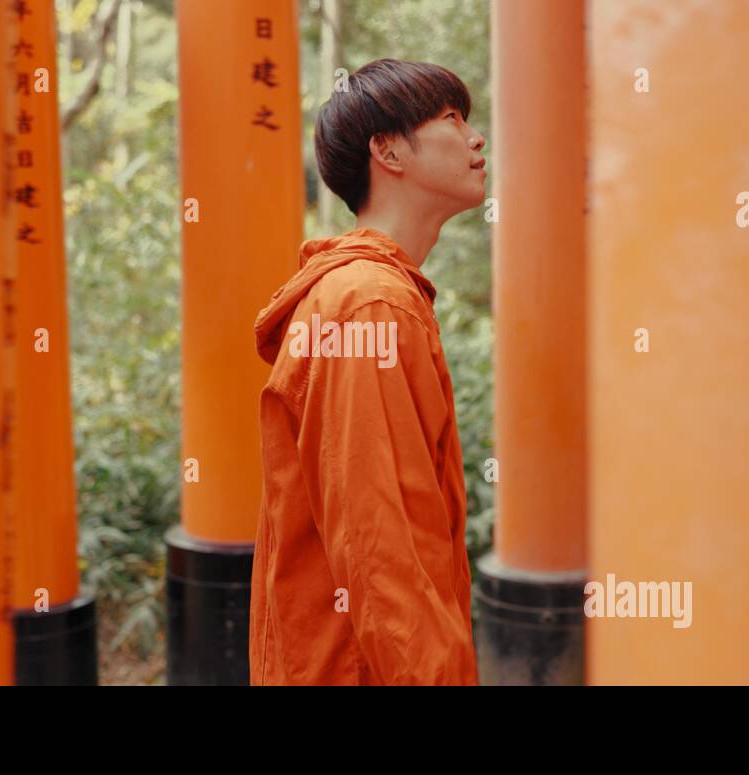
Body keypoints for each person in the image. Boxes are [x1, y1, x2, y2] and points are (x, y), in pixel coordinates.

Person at [249, 58, 487, 685]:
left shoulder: (371, 294)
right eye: (451, 118)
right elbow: (380, 544)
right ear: (388, 151)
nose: (475, 137)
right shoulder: (368, 303)